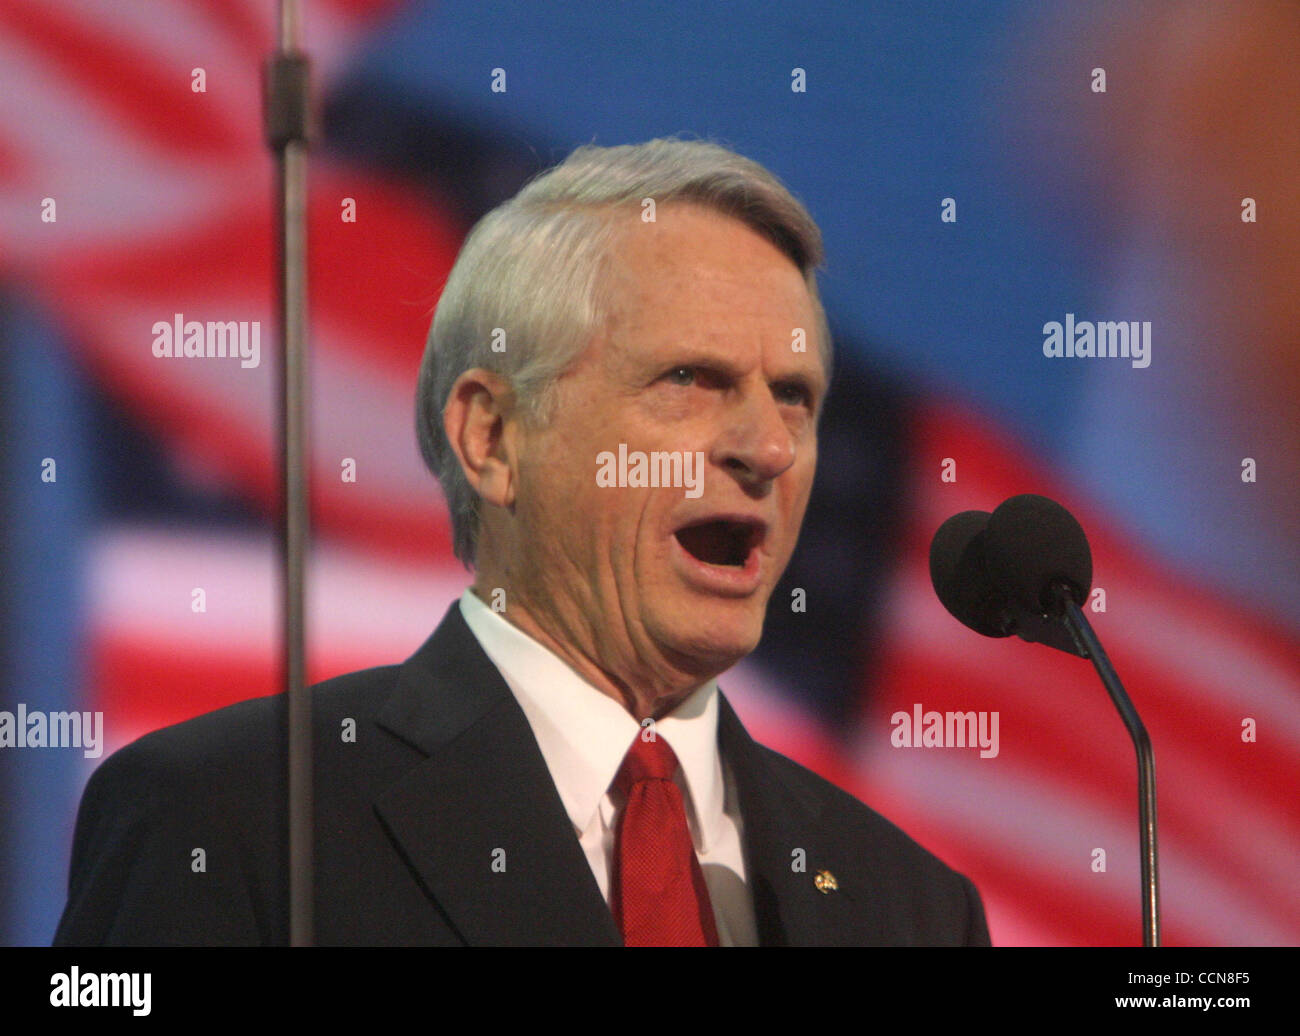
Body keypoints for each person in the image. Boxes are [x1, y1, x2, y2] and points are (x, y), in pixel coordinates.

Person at [54, 138, 990, 946]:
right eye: (690, 380)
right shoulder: (227, 819)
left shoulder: (906, 905)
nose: (768, 447)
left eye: (795, 396)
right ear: (494, 438)